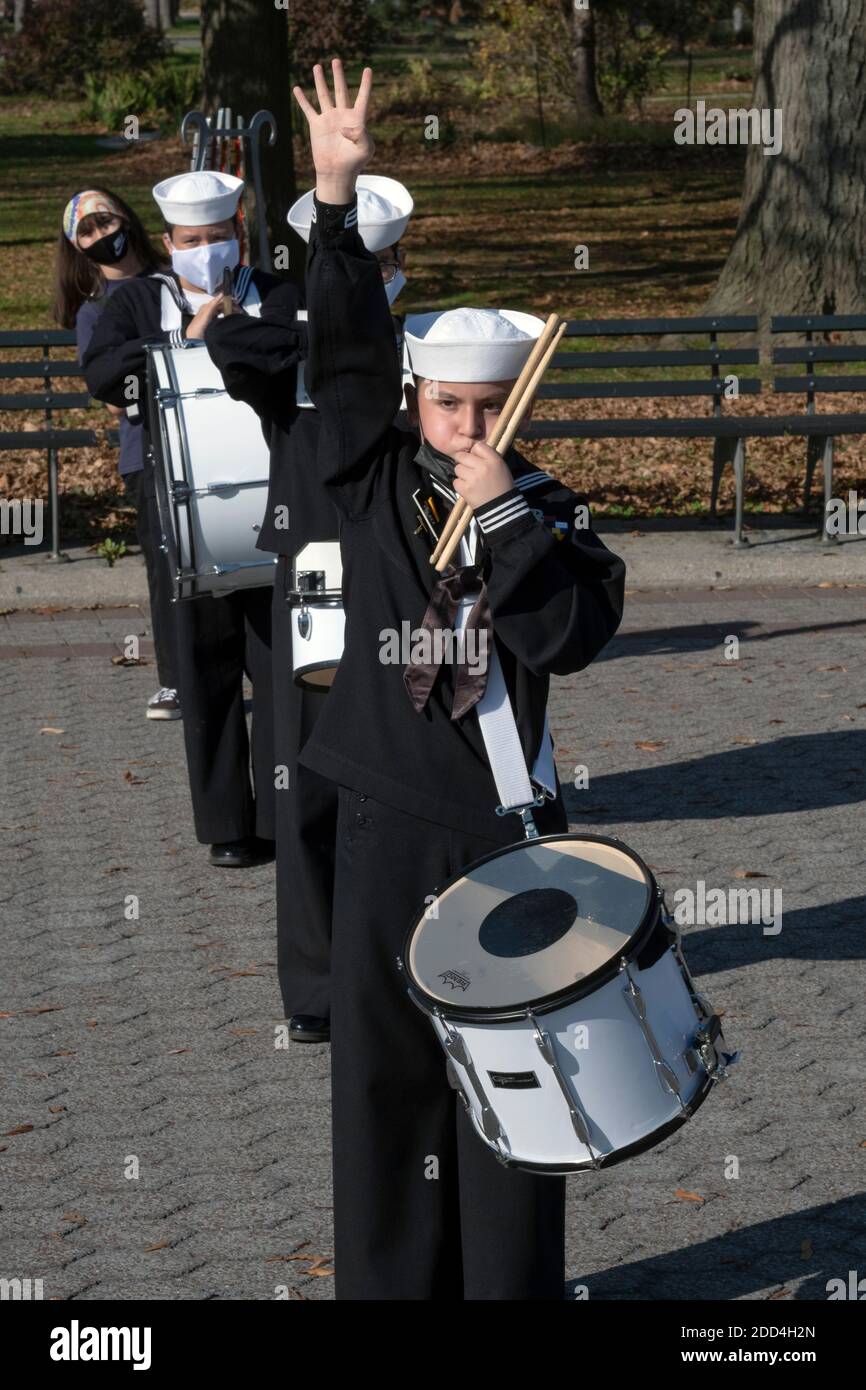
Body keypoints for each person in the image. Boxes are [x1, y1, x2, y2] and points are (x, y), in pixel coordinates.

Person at [292, 59, 626, 1299]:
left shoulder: (545, 506)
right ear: (415, 400)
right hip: (381, 810)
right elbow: (339, 353)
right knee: (381, 1077)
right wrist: (336, 198)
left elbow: (572, 637)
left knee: (510, 1087)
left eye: (490, 408)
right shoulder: (368, 472)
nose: (467, 429)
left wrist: (512, 525)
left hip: (499, 825)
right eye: (446, 407)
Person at [205, 174, 414, 1038]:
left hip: (409, 576)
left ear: (400, 259)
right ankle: (321, 988)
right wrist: (326, 331)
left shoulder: (426, 342)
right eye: (351, 257)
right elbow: (232, 347)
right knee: (311, 778)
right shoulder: (287, 338)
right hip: (321, 572)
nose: (371, 270)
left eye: (379, 256)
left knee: (407, 772)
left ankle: (411, 962)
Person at [82, 171, 281, 868]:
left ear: (239, 236)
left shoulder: (274, 294)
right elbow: (105, 373)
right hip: (179, 502)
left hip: (275, 505)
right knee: (205, 667)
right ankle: (229, 826)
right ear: (167, 243)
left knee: (281, 667)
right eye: (191, 240)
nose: (206, 250)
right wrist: (184, 343)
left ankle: (287, 814)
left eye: (218, 236)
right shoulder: (137, 299)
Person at [56, 187, 180, 719]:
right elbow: (110, 389)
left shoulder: (179, 279)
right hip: (146, 453)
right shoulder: (95, 313)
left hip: (216, 449)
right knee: (168, 569)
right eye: (87, 231)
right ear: (77, 249)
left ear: (126, 217)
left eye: (105, 220)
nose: (101, 234)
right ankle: (176, 680)